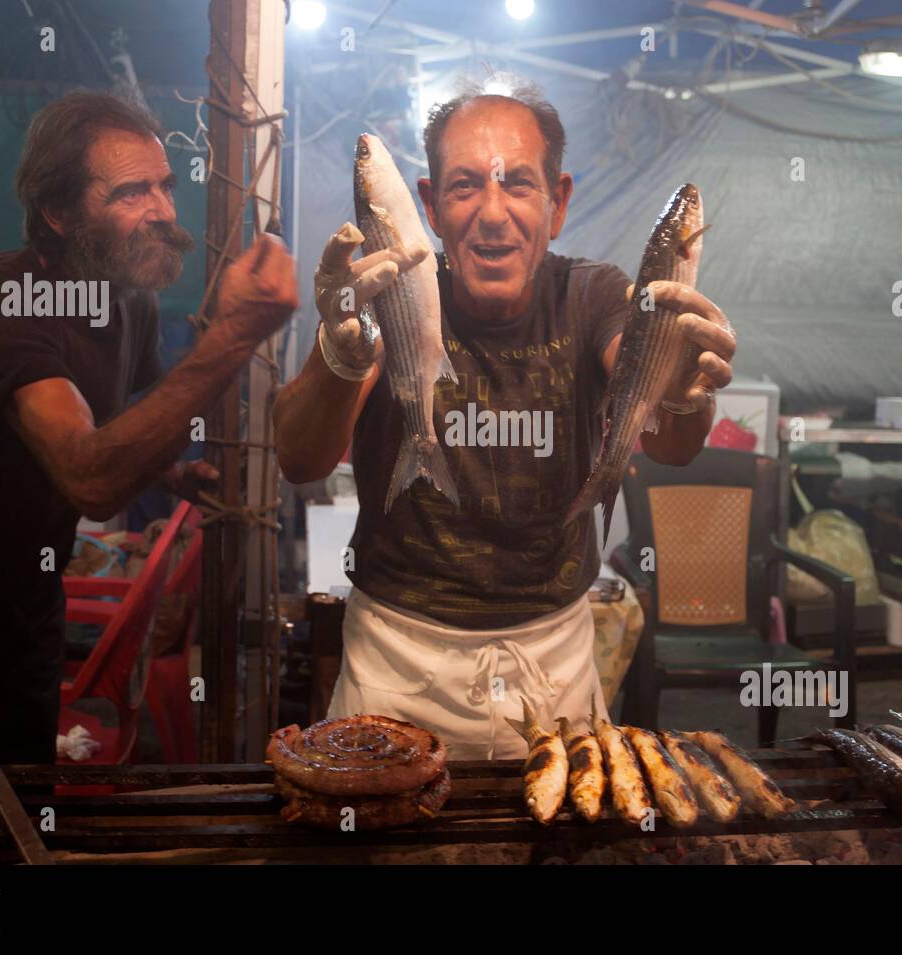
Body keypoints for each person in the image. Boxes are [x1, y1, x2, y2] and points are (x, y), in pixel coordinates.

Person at [272, 84, 735, 759]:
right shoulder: (395, 287)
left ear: (559, 200)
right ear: (428, 206)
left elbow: (670, 443)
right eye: (465, 187)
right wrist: (338, 353)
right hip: (396, 664)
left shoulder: (592, 295)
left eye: (518, 184)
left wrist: (687, 390)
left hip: (556, 665)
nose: (493, 214)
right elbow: (298, 458)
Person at [0, 91, 298, 764]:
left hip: (21, 613)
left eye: (165, 187)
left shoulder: (132, 305)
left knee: (12, 818)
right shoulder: (1, 302)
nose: (164, 212)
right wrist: (231, 337)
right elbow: (90, 474)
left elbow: (109, 425)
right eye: (130, 193)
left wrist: (166, 471)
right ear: (57, 213)